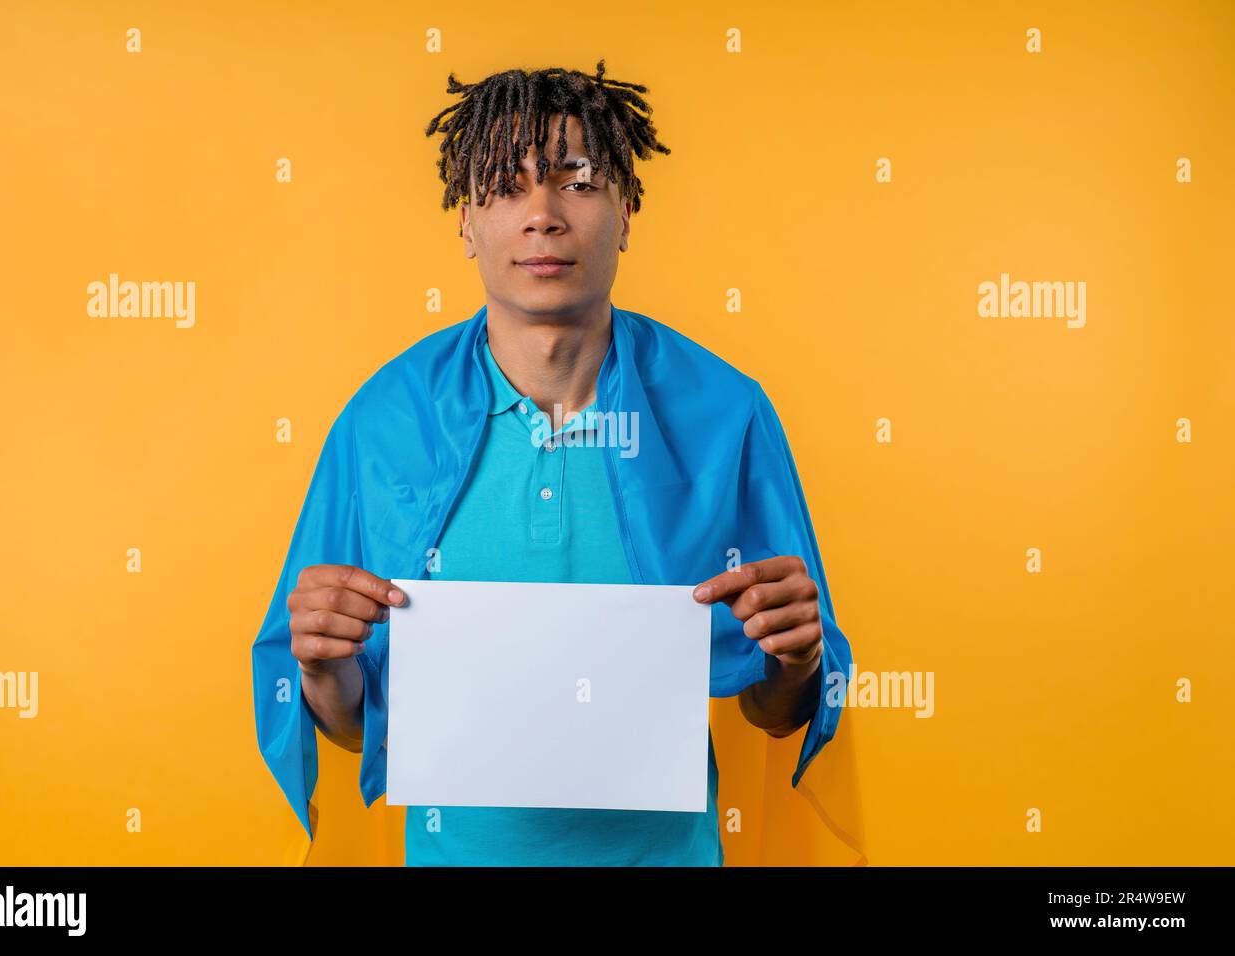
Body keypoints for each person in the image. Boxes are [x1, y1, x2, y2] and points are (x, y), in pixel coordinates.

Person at [252, 60, 856, 866]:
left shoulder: (725, 412)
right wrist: (323, 667)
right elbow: (352, 725)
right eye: (505, 187)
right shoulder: (383, 422)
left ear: (627, 212)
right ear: (466, 222)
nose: (542, 216)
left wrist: (796, 658)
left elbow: (776, 712)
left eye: (578, 182)